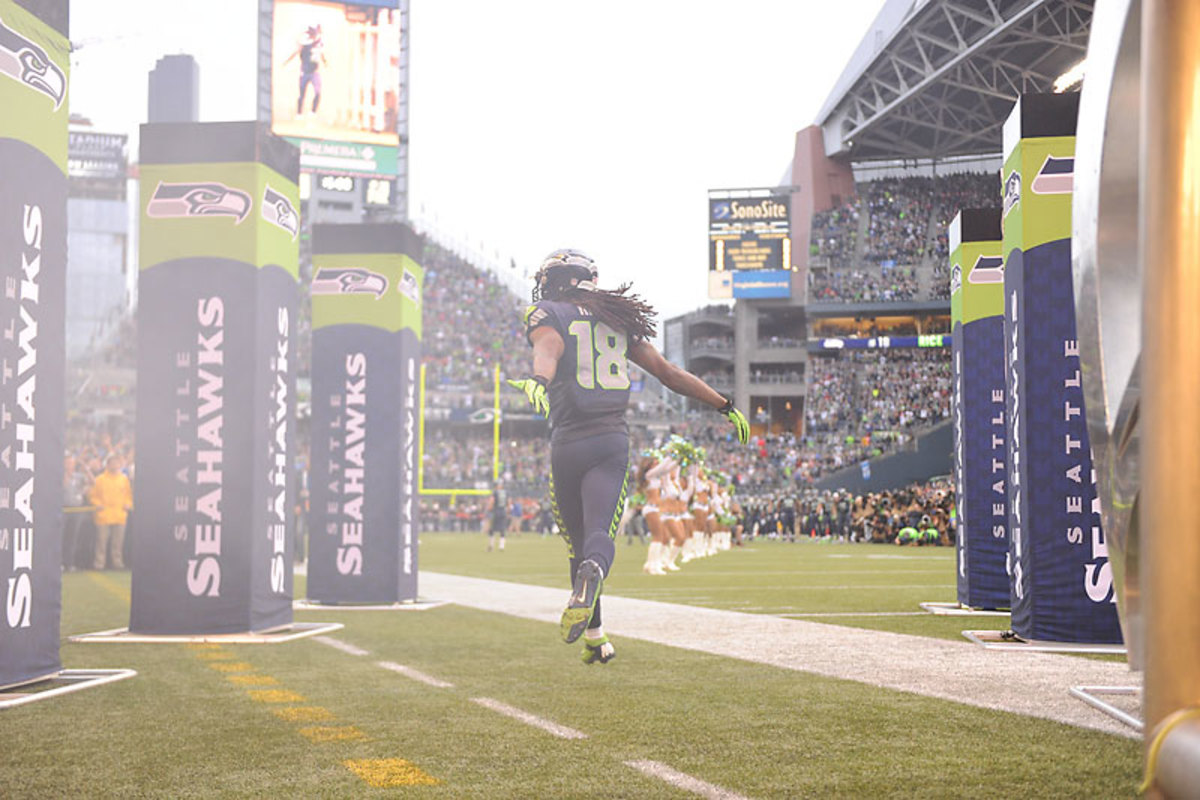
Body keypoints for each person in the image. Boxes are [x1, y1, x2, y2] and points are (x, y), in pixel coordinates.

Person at [508, 248, 749, 665]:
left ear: (561, 281)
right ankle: (595, 609)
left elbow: (547, 349)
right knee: (600, 536)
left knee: (578, 545)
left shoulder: (549, 312)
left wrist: (538, 381)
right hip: (609, 442)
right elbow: (669, 374)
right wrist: (724, 404)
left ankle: (596, 637)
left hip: (567, 443)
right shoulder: (617, 319)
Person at [90, 455, 132, 570]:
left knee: (117, 543)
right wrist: (97, 503)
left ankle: (117, 563)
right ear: (107, 465)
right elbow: (93, 495)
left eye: (117, 463)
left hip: (119, 515)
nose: (115, 465)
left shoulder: (124, 479)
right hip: (103, 515)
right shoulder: (100, 479)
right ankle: (99, 564)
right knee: (101, 542)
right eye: (112, 463)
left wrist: (128, 503)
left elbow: (129, 495)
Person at [282, 25, 326, 116]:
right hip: (305, 72)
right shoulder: (304, 44)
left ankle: (313, 111)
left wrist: (325, 62)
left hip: (314, 72)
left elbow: (321, 53)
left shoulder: (318, 44)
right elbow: (296, 51)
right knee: (302, 93)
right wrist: (286, 62)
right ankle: (299, 112)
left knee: (317, 91)